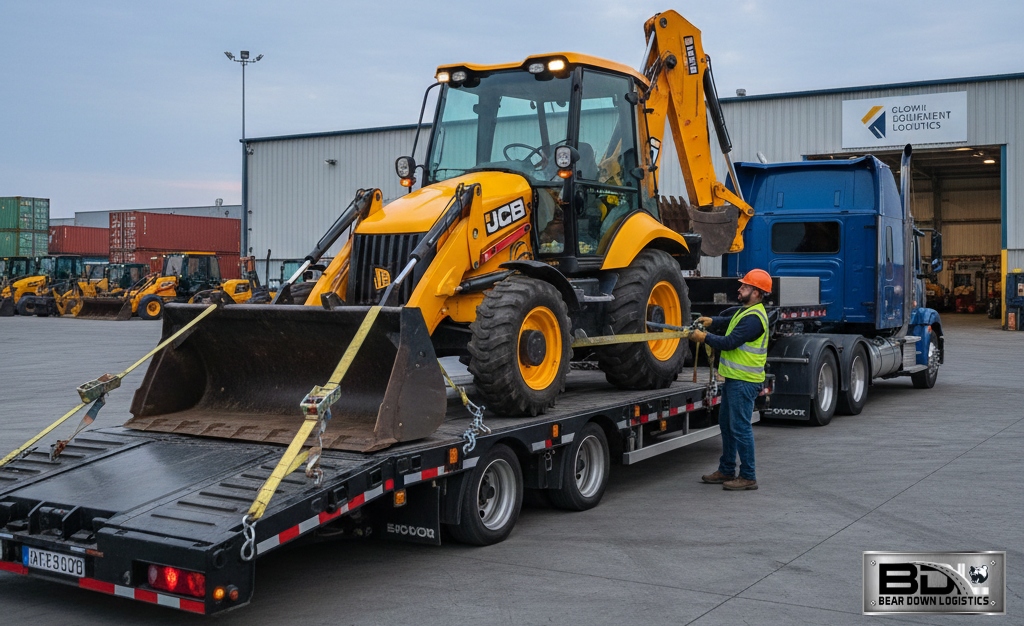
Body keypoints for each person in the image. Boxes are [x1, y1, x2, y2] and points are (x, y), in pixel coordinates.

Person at [689, 269, 771, 491]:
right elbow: (728, 321)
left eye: (744, 287)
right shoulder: (746, 311)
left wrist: (704, 337)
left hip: (744, 382)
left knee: (740, 428)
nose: (739, 289)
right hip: (735, 380)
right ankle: (726, 469)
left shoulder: (754, 319)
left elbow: (730, 341)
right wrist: (712, 321)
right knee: (727, 425)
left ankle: (748, 476)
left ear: (756, 292)